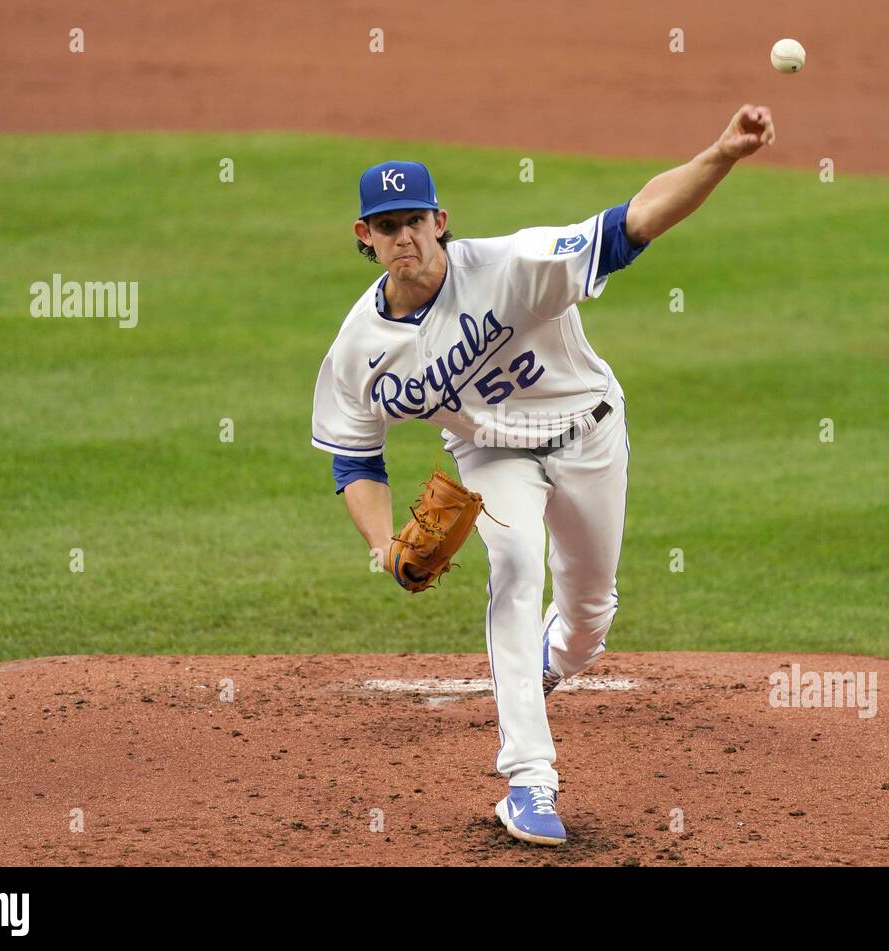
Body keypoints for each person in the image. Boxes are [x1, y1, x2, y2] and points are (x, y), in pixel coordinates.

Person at [312, 103, 776, 846]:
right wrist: (380, 541)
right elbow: (355, 455)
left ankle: (546, 665)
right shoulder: (356, 349)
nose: (404, 236)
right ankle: (529, 781)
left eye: (415, 220)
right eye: (386, 224)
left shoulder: (515, 266)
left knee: (590, 618)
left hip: (590, 432)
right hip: (493, 458)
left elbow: (633, 223)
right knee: (516, 563)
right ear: (364, 236)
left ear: (440, 221)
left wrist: (721, 152)